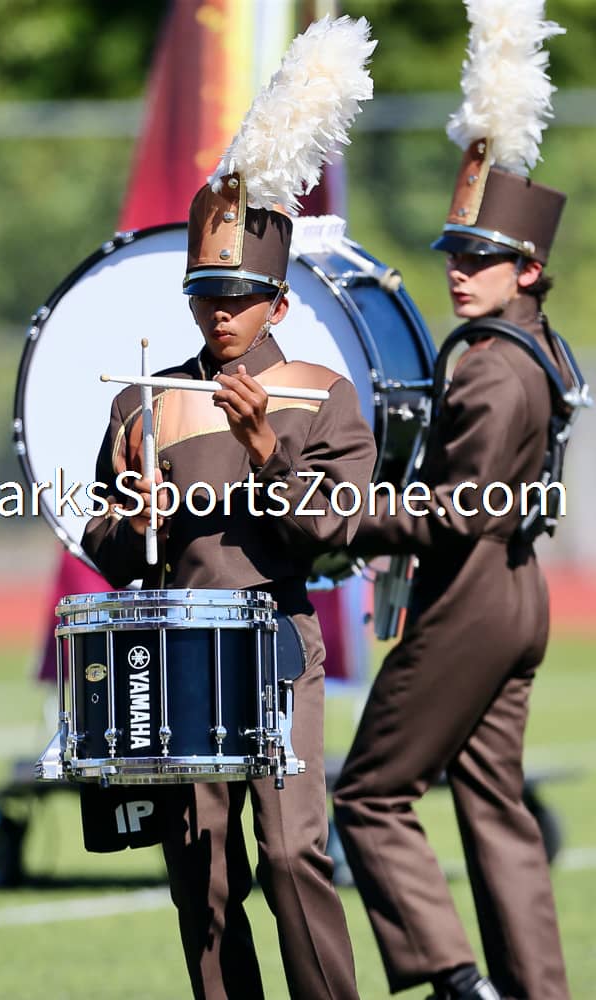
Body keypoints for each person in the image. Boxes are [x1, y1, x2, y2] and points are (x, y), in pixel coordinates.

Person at [82, 18, 378, 996]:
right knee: (203, 874)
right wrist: (139, 522)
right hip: (178, 652)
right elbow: (101, 535)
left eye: (242, 293)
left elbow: (337, 533)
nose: (221, 309)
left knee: (293, 854)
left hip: (278, 643)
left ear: (279, 303)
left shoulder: (321, 395)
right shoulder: (144, 397)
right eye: (206, 290)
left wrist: (265, 455)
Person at [332, 4, 578, 998]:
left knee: (370, 793)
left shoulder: (488, 365)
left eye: (481, 258)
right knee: (493, 803)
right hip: (520, 591)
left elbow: (460, 508)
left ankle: (456, 982)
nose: (458, 270)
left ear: (529, 268)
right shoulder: (539, 348)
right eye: (454, 251)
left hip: (471, 593)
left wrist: (347, 516)